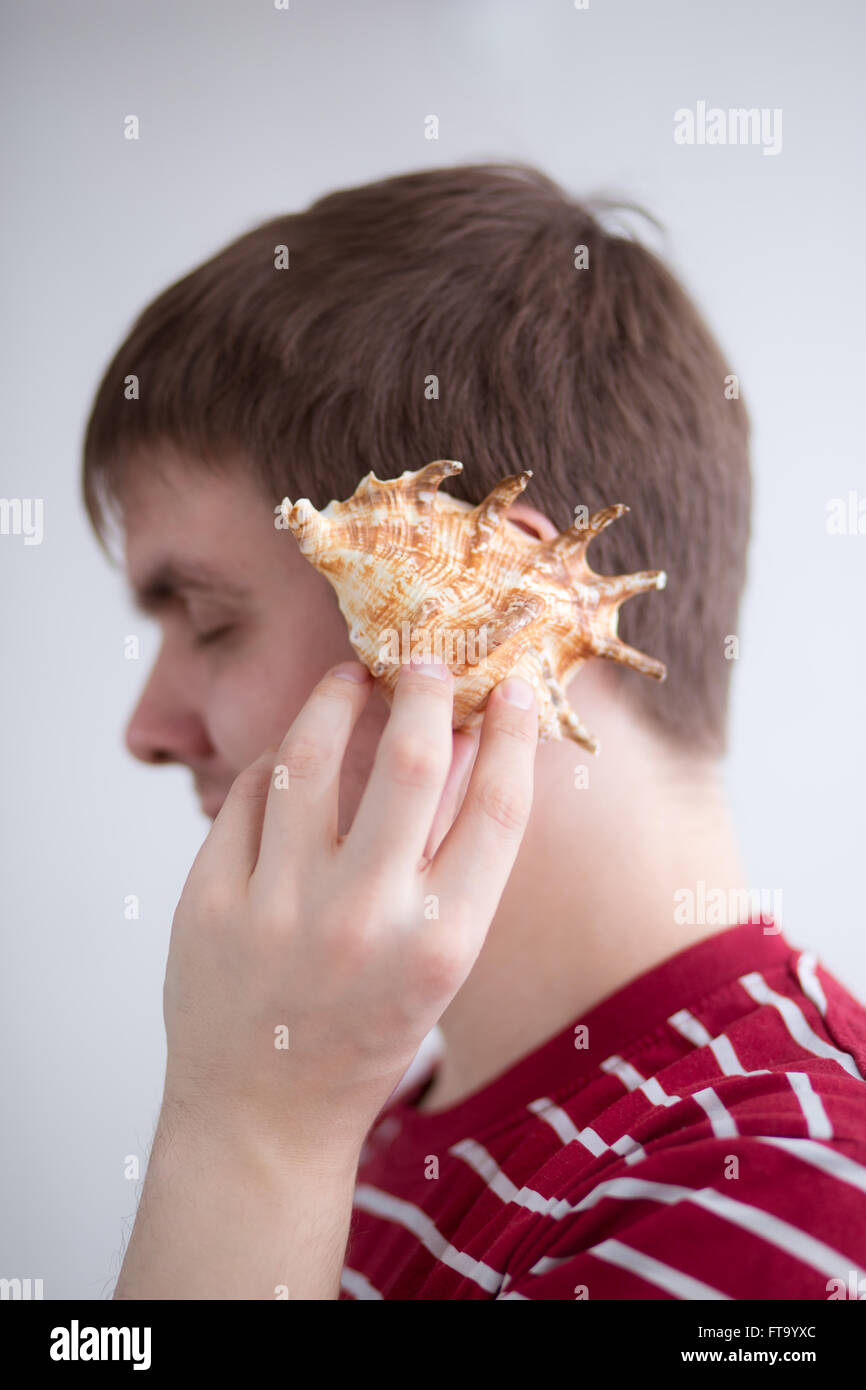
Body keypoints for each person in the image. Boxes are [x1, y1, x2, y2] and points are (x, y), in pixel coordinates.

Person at [83, 164, 866, 1300]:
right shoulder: (392, 1119)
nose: (144, 729)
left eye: (209, 620)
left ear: (489, 614)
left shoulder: (780, 1200)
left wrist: (247, 1133)